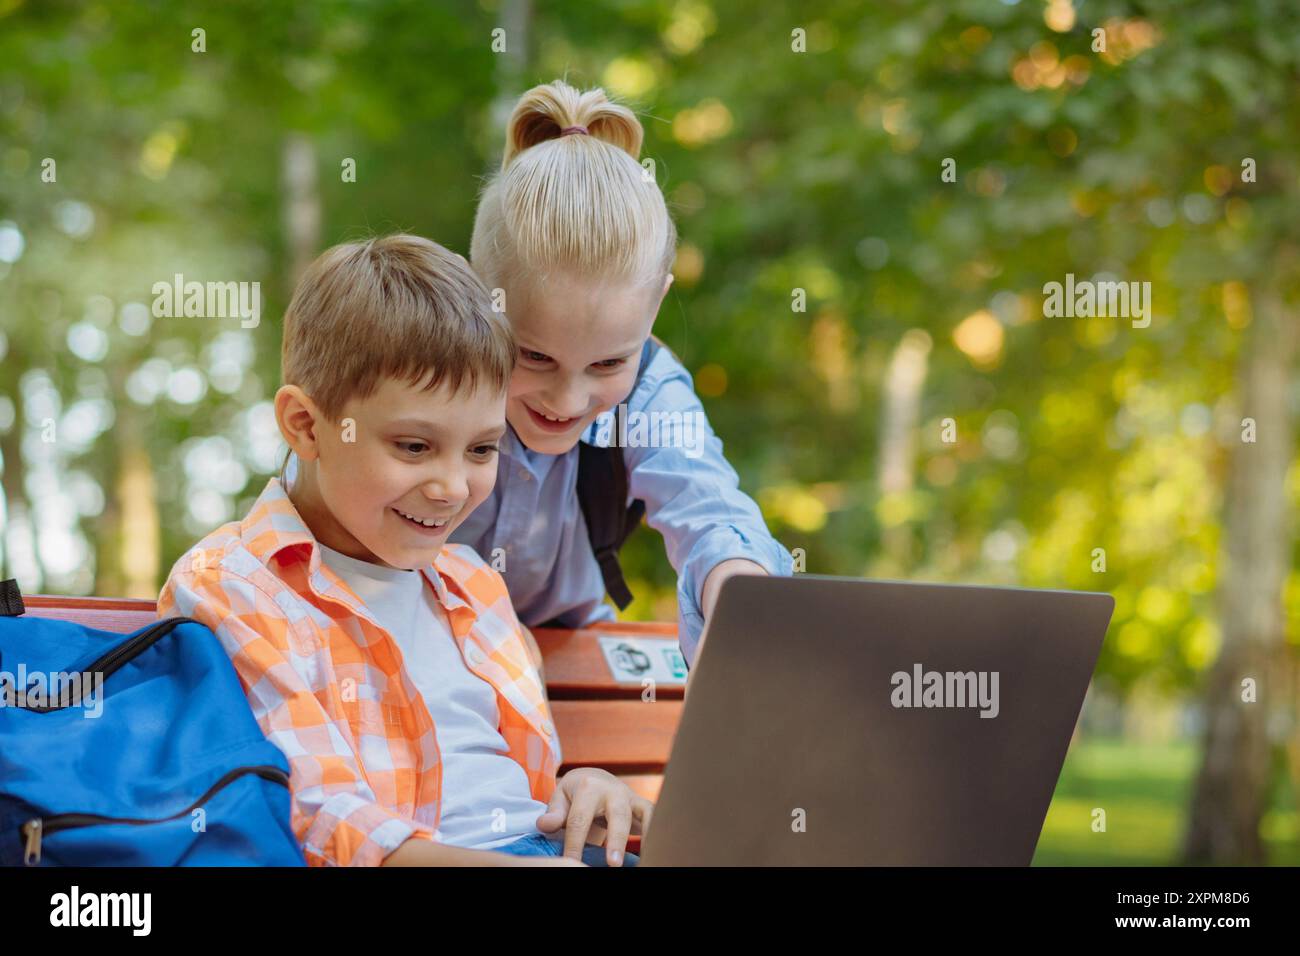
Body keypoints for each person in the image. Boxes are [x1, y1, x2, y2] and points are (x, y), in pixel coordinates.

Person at [158, 234, 649, 866]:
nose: (451, 488)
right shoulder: (232, 588)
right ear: (306, 425)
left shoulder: (473, 586)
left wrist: (577, 790)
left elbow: (506, 792)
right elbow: (321, 823)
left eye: (480, 450)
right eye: (414, 447)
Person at [452, 79, 794, 667]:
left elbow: (709, 508)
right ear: (472, 293)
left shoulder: (652, 394)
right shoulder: (417, 368)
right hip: (408, 658)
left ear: (656, 304)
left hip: (571, 660)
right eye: (533, 356)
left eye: (608, 363)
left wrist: (738, 589)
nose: (567, 397)